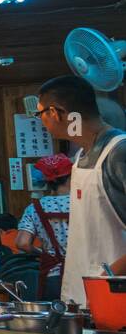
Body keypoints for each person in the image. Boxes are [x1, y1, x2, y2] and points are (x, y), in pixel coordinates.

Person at [35, 76, 126, 304]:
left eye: (40, 114)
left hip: (115, 294)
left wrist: (107, 279)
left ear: (56, 113)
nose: (41, 122)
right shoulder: (79, 159)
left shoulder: (118, 153)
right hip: (85, 295)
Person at [16, 153, 73, 300]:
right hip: (85, 273)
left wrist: (43, 253)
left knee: (57, 320)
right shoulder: (83, 201)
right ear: (70, 176)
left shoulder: (35, 207)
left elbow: (22, 243)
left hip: (53, 276)